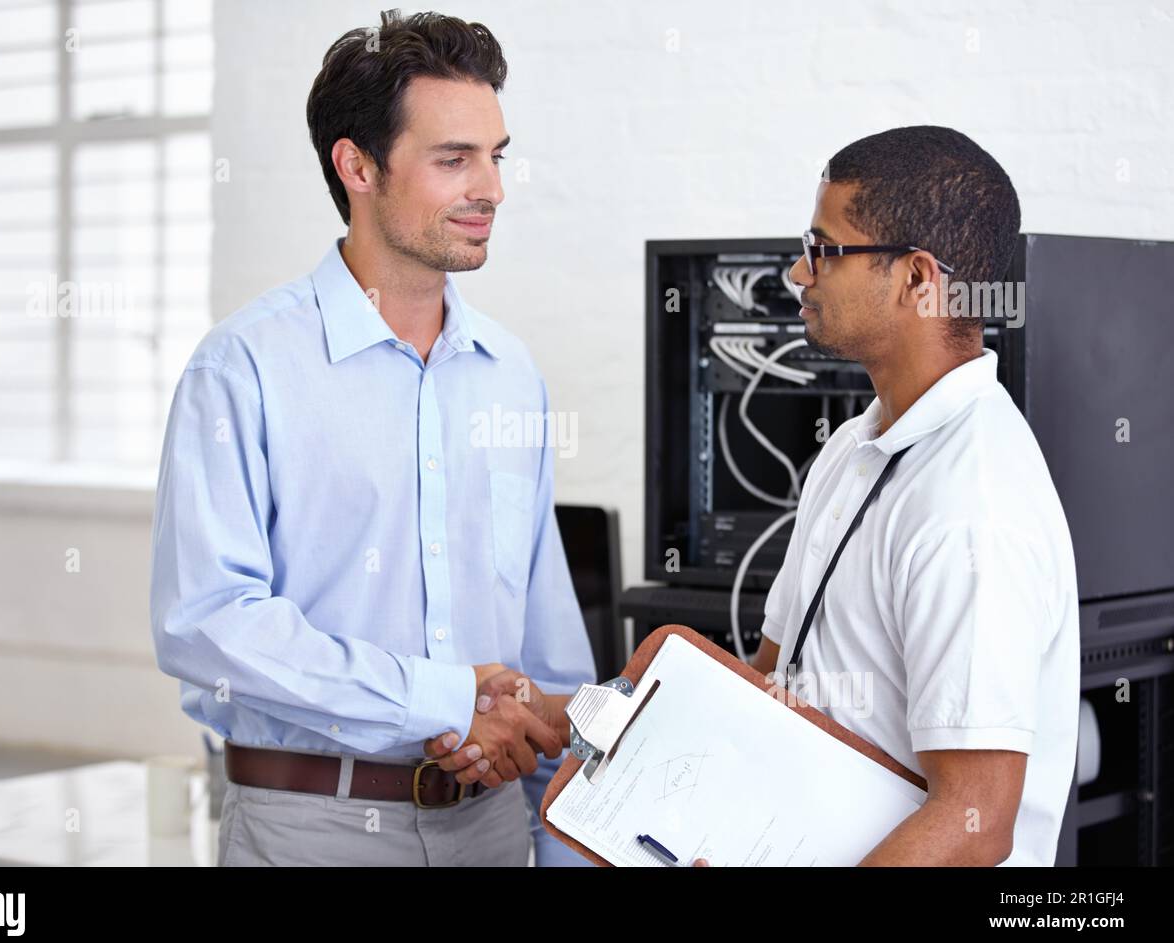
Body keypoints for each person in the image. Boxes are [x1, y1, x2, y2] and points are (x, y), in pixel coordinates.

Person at [446, 126, 1080, 867]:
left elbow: (975, 817)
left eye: (824, 250)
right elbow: (768, 687)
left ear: (916, 278)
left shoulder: (972, 504)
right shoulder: (853, 450)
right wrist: (559, 715)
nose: (798, 272)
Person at [149, 10, 595, 867]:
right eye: (453, 159)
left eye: (495, 157)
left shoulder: (512, 375)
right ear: (356, 165)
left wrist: (560, 842)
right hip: (311, 830)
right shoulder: (243, 370)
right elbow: (206, 625)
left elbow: (543, 660)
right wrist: (442, 701)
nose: (492, 189)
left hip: (495, 829)